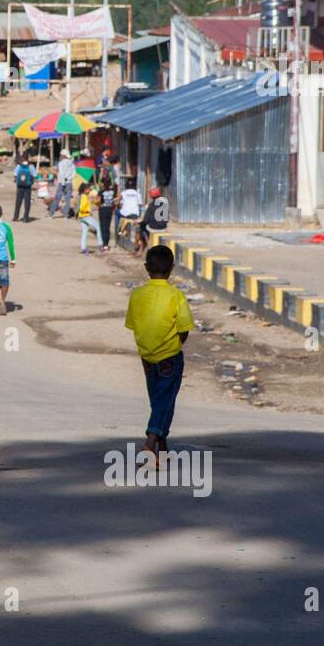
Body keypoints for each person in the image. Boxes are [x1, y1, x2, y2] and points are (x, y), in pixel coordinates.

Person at [125, 245, 193, 461]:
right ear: (172, 268)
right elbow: (184, 328)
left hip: (147, 356)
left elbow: (134, 324)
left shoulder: (137, 295)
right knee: (165, 399)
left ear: (146, 268)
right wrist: (174, 345)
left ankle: (162, 444)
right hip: (170, 356)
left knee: (159, 399)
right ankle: (150, 442)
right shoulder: (176, 295)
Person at [135, 187, 169, 257]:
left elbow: (146, 220)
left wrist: (138, 223)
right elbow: (167, 219)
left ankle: (144, 247)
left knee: (141, 228)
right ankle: (142, 249)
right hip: (163, 227)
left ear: (151, 195)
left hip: (154, 228)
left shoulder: (150, 205)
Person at [77, 182, 101, 254]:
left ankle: (83, 248)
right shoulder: (84, 196)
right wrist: (88, 211)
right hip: (85, 215)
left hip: (81, 216)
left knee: (85, 231)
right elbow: (82, 207)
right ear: (85, 190)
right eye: (88, 189)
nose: (90, 190)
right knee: (98, 226)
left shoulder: (82, 196)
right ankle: (101, 244)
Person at [50, 149, 76, 218]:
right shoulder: (72, 164)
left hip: (62, 182)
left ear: (62, 155)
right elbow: (74, 174)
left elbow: (62, 173)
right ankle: (66, 215)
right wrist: (68, 179)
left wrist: (63, 181)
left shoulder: (61, 163)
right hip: (69, 182)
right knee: (67, 200)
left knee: (57, 198)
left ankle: (51, 213)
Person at [118, 177, 142, 245]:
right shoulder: (137, 193)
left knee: (117, 213)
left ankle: (119, 230)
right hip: (135, 214)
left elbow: (120, 203)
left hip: (125, 214)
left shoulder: (123, 193)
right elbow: (140, 204)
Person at [12, 154, 37, 222]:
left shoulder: (19, 166)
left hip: (20, 186)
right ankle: (26, 218)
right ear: (27, 158)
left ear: (22, 158)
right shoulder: (31, 166)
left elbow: (15, 175)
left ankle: (15, 217)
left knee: (18, 202)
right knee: (27, 202)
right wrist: (31, 182)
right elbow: (35, 175)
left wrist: (16, 180)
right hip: (28, 187)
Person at [97, 175, 117, 252]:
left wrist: (98, 204)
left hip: (103, 210)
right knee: (108, 227)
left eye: (101, 183)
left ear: (103, 184)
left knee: (103, 227)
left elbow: (98, 201)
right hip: (110, 210)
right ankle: (106, 244)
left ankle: (104, 244)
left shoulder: (101, 192)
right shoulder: (113, 191)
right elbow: (115, 200)